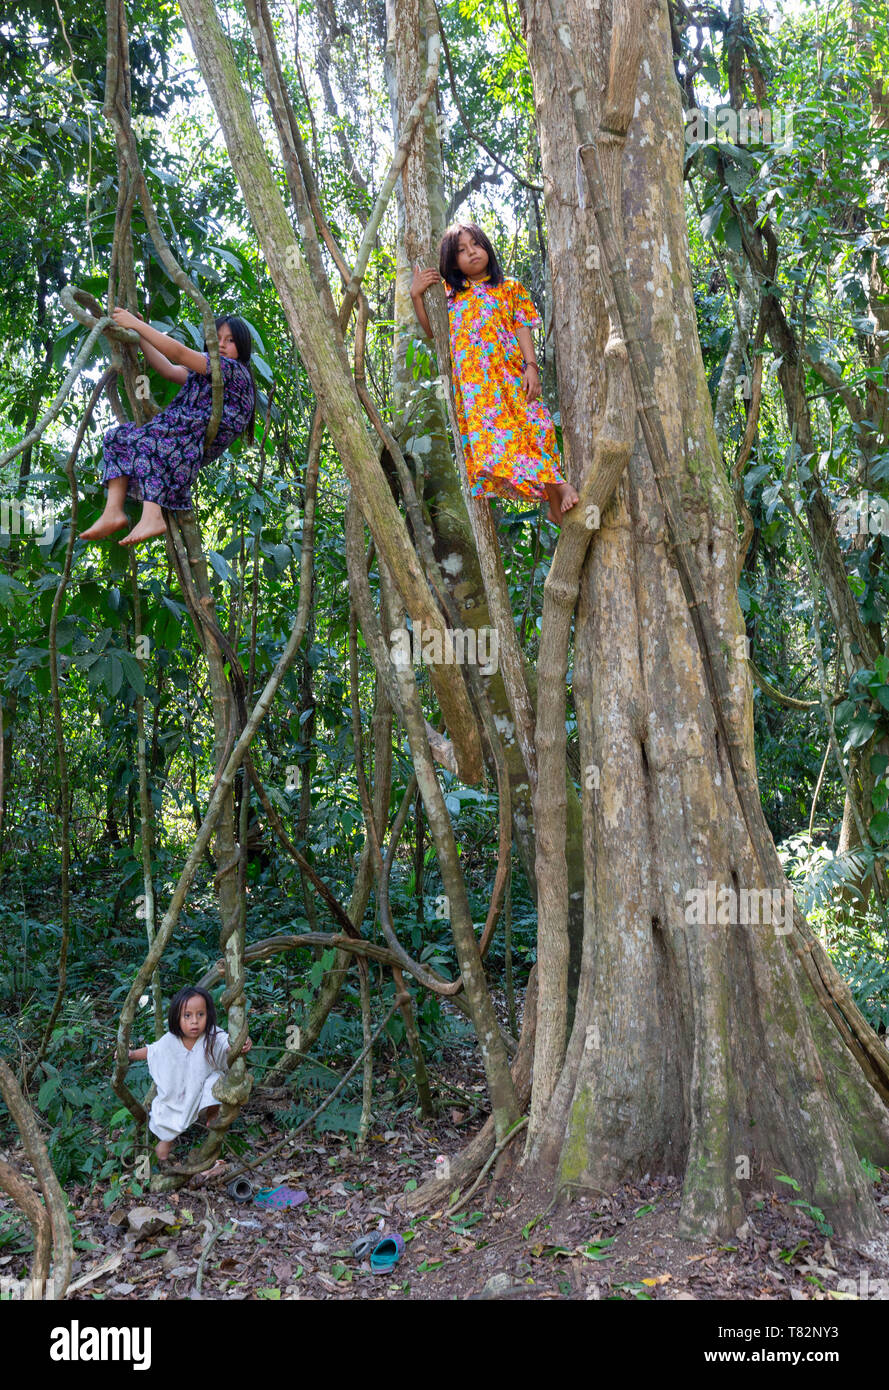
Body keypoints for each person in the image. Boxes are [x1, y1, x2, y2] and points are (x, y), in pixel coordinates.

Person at [410, 222, 579, 527]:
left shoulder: (510, 287)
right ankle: (557, 492)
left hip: (512, 376)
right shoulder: (449, 295)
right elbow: (434, 333)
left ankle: (556, 497)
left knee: (536, 428)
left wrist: (531, 367)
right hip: (478, 390)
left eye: (476, 244)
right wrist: (416, 297)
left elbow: (522, 327)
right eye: (461, 250)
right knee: (506, 444)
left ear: (487, 247)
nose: (471, 252)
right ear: (451, 260)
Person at [80, 310, 256, 546]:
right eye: (217, 338)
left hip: (189, 439)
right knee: (117, 437)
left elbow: (179, 353)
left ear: (242, 346)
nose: (221, 344)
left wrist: (138, 326)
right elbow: (168, 369)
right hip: (179, 434)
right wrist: (139, 333)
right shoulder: (205, 373)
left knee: (150, 439)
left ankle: (152, 516)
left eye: (230, 340)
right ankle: (113, 511)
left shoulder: (234, 371)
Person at [126, 985, 252, 1163]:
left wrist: (243, 1043)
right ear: (177, 1017)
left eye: (200, 1014)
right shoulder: (171, 1039)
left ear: (208, 1015)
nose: (195, 1021)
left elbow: (227, 1043)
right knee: (166, 1112)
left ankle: (212, 1113)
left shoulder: (212, 1035)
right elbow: (153, 1051)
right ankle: (166, 1141)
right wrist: (130, 1055)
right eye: (188, 1016)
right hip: (179, 1089)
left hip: (203, 1091)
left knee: (216, 1080)